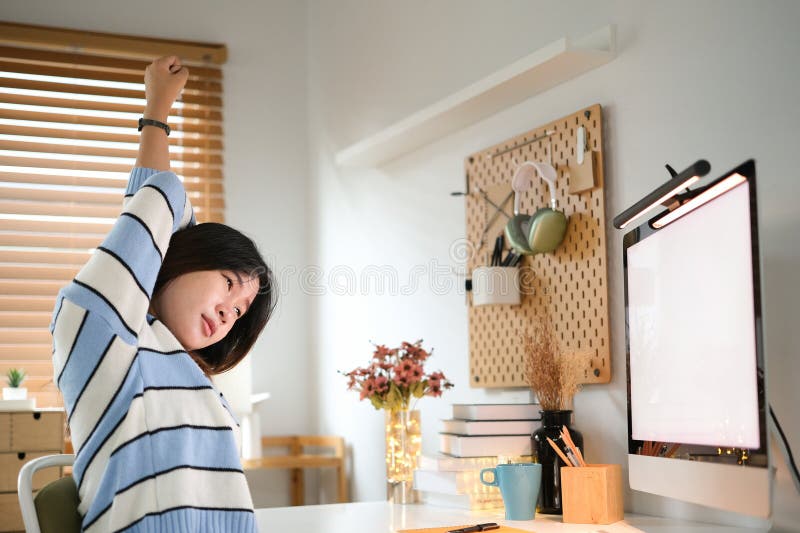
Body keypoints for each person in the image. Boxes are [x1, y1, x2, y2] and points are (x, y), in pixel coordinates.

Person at [50, 55, 274, 532]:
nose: (229, 313)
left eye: (239, 310)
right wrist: (159, 110)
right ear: (178, 253)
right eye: (229, 283)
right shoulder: (101, 328)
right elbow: (158, 200)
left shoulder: (192, 376)